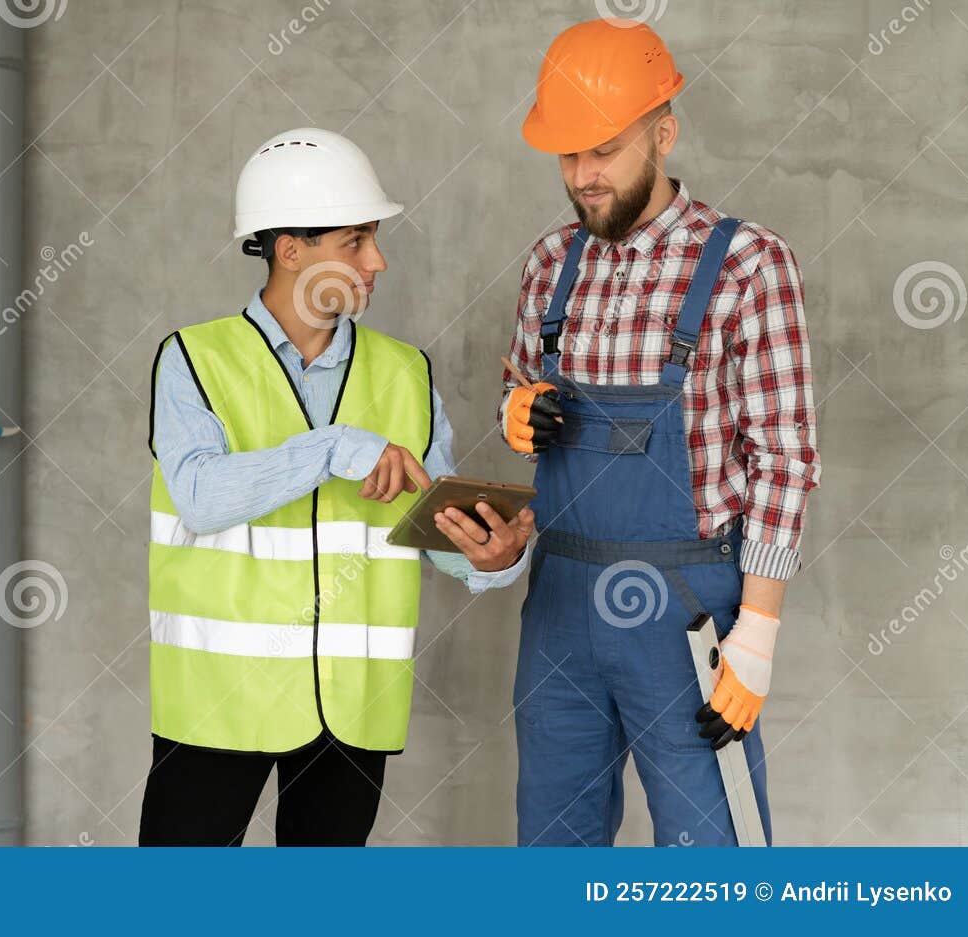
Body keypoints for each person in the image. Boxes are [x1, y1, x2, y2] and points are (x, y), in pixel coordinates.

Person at [139, 128, 534, 846]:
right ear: (290, 249)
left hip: (352, 703)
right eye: (355, 242)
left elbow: (430, 527)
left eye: (373, 239)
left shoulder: (405, 372)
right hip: (221, 700)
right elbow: (199, 496)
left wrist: (490, 557)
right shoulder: (194, 358)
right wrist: (332, 449)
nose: (378, 261)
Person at [501, 18, 821, 846]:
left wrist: (758, 631)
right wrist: (516, 412)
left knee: (710, 857)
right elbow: (519, 391)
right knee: (551, 844)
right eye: (568, 156)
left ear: (663, 132)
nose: (583, 176)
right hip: (561, 605)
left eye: (602, 150)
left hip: (689, 618)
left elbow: (783, 460)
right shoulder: (550, 262)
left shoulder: (747, 263)